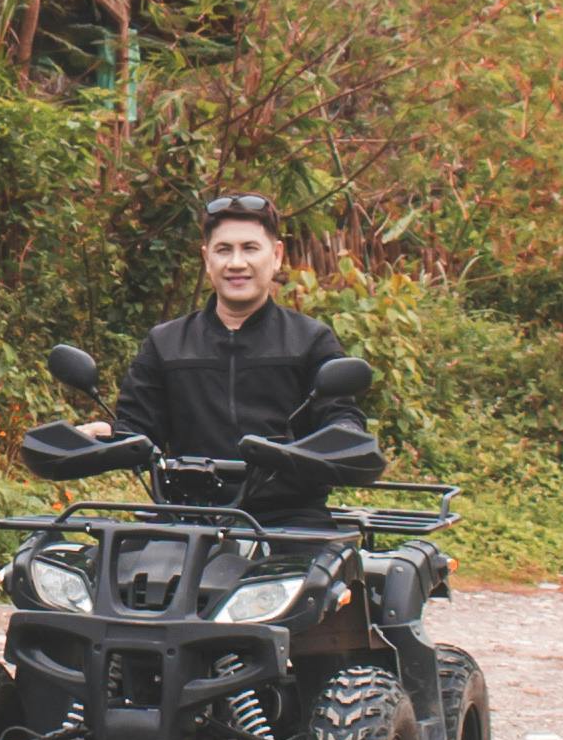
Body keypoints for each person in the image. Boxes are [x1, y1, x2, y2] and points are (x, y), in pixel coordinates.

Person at [113, 190, 373, 512]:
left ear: (276, 255)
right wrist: (107, 434)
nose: (237, 263)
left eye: (250, 248)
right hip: (186, 521)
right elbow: (137, 426)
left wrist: (344, 434)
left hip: (291, 525)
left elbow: (338, 414)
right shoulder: (166, 343)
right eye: (224, 250)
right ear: (207, 259)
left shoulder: (310, 340)